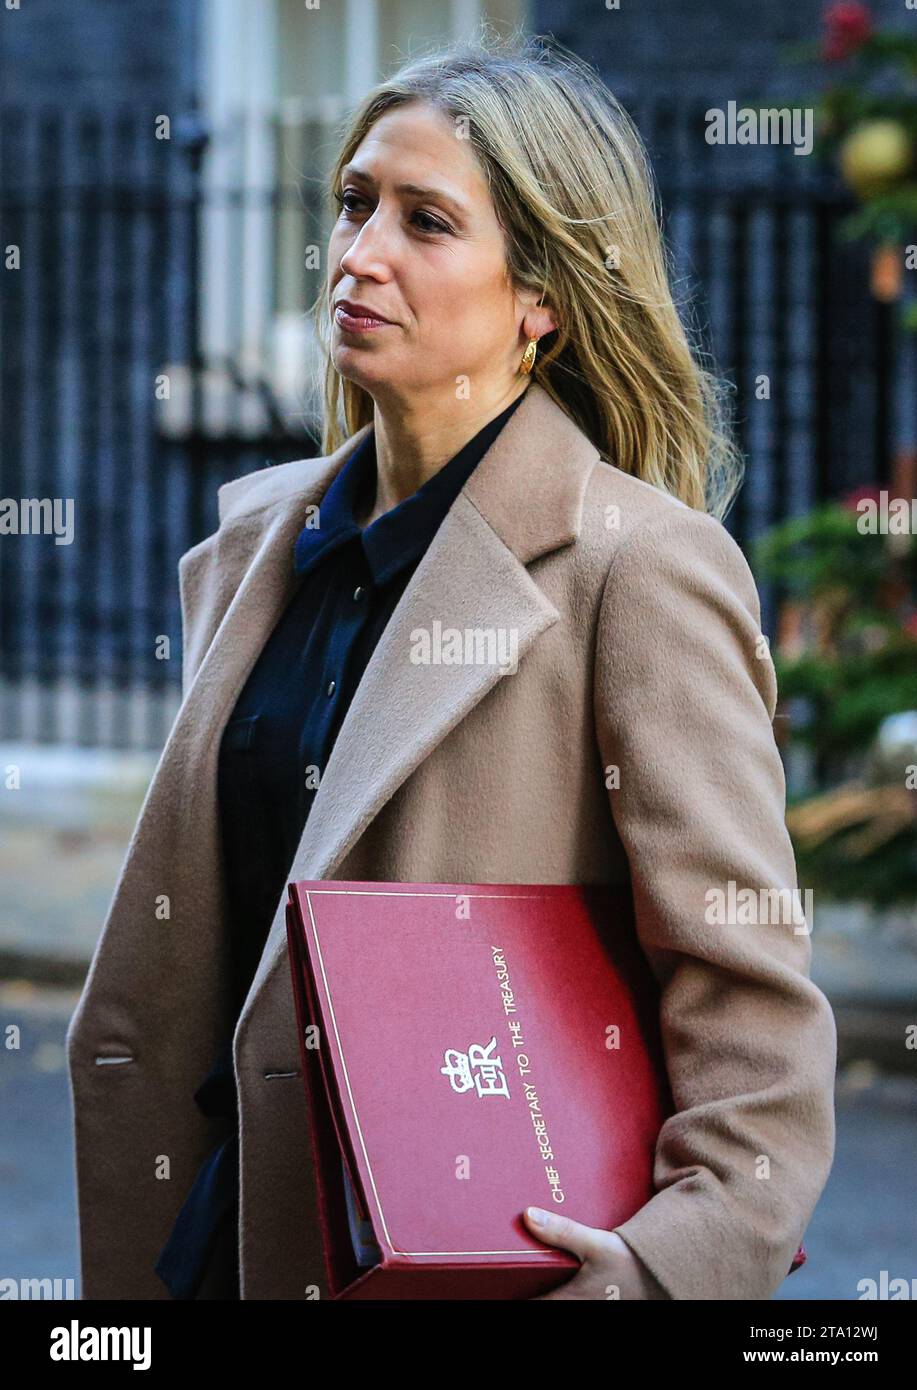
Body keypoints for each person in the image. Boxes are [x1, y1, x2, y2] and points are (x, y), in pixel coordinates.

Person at [66, 30, 837, 1301]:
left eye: (426, 221)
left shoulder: (636, 571)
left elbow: (750, 1009)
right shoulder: (259, 546)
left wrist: (659, 1274)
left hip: (473, 1273)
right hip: (222, 1241)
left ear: (540, 299)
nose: (359, 253)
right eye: (355, 203)